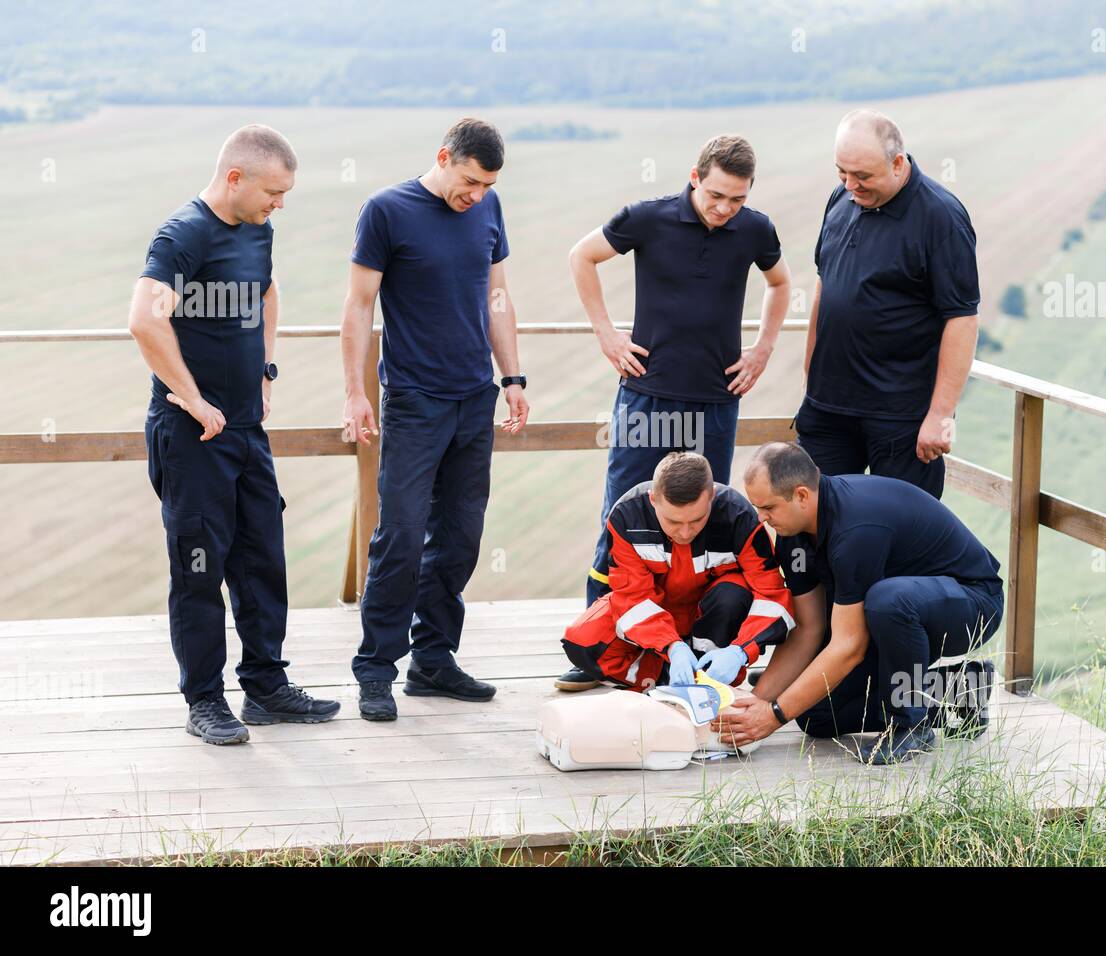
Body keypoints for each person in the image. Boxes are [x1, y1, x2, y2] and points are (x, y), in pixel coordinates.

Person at [128, 124, 339, 745]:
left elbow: (268, 292)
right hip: (192, 438)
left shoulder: (258, 230)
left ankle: (267, 687)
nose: (281, 204)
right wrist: (192, 398)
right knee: (199, 568)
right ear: (235, 177)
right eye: (274, 191)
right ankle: (205, 701)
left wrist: (267, 367)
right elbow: (144, 318)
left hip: (247, 429)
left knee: (262, 557)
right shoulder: (184, 232)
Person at [558, 134, 792, 691]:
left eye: (735, 199)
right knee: (622, 515)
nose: (723, 208)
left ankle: (693, 650)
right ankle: (603, 641)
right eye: (715, 195)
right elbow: (581, 256)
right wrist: (606, 333)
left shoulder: (756, 229)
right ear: (695, 176)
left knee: (700, 522)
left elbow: (781, 285)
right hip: (648, 395)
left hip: (715, 399)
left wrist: (762, 349)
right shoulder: (646, 218)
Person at [341, 118, 529, 722]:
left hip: (475, 399)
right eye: (469, 181)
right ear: (444, 157)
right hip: (415, 400)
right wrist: (355, 393)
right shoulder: (386, 211)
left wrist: (513, 377)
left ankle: (433, 660)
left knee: (460, 537)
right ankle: (376, 670)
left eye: (486, 185)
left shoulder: (489, 206)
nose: (475, 195)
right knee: (398, 536)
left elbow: (496, 296)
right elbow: (359, 307)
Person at [717, 442, 1003, 764]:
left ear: (801, 495)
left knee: (888, 602)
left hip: (971, 602)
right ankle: (960, 690)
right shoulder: (791, 533)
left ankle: (911, 725)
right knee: (816, 715)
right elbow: (809, 630)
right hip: (899, 617)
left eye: (768, 508)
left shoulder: (855, 530)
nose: (761, 518)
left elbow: (849, 645)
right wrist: (756, 705)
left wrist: (774, 716)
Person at [798, 109, 980, 499]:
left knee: (901, 537)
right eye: (841, 173)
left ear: (898, 164)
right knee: (809, 530)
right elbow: (824, 286)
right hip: (829, 407)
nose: (850, 185)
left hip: (901, 418)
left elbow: (961, 318)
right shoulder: (841, 198)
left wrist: (940, 415)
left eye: (863, 176)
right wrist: (810, 370)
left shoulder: (940, 217)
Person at [562, 453, 795, 692]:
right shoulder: (626, 516)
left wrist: (740, 651)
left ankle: (708, 678)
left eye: (697, 519)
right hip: (656, 613)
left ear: (712, 497)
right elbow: (631, 598)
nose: (685, 533)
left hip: (713, 614)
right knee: (582, 642)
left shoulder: (739, 517)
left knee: (732, 594)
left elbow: (772, 595)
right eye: (673, 521)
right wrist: (671, 646)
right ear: (653, 500)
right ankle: (664, 678)